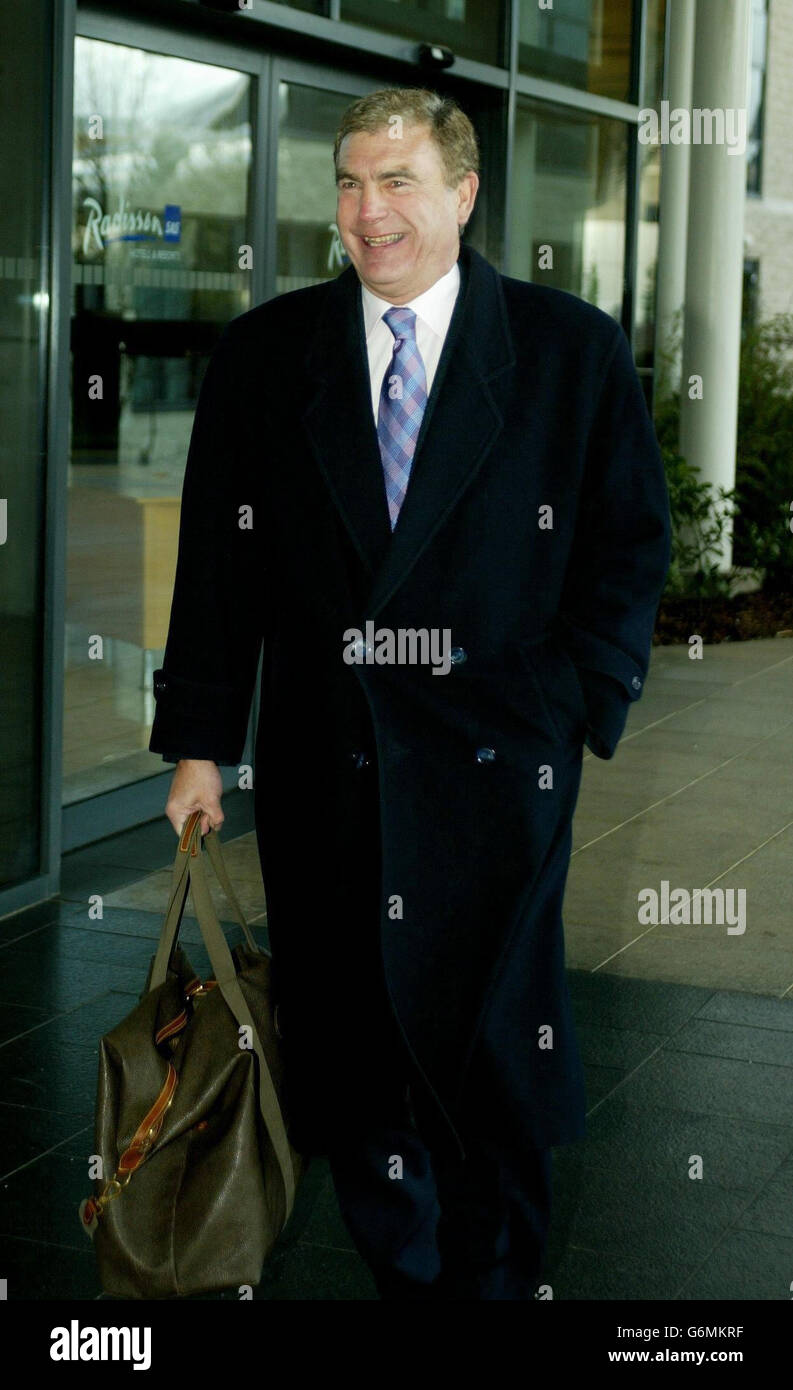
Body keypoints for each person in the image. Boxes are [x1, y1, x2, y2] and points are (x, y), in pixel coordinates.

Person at [149, 86, 671, 1300]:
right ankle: (407, 1273)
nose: (366, 211)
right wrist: (198, 746)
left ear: (463, 193)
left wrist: (581, 697)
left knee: (492, 1048)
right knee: (354, 1046)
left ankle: (495, 1276)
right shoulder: (266, 358)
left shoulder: (565, 351)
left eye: (396, 182)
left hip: (498, 770)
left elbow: (625, 541)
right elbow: (219, 568)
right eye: (347, 182)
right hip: (331, 769)